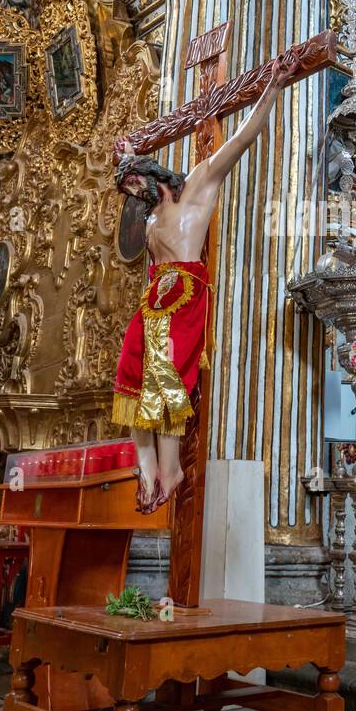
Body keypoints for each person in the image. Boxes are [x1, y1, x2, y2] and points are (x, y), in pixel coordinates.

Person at [112, 56, 294, 513]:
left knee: (167, 378)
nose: (134, 193)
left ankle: (170, 470)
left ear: (152, 173)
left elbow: (240, 140)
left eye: (135, 182)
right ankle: (147, 465)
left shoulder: (197, 185)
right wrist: (121, 155)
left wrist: (270, 87)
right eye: (128, 190)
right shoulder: (152, 217)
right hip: (155, 296)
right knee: (130, 371)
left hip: (187, 292)